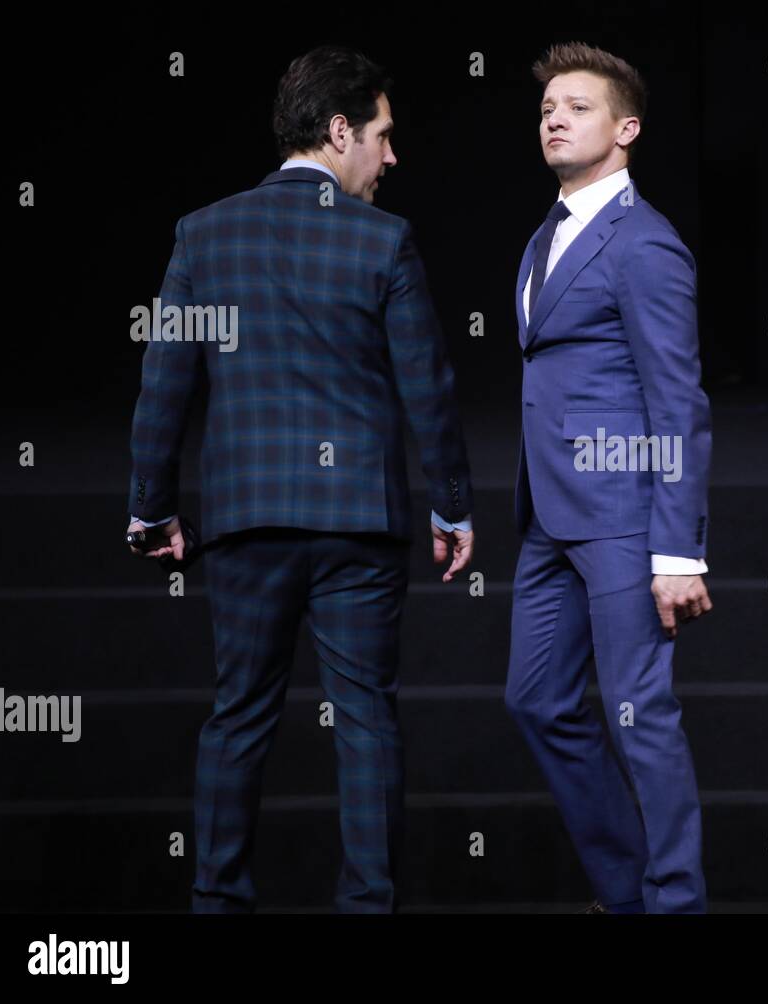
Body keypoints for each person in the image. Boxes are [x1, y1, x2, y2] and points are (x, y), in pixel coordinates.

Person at [126, 44, 474, 913]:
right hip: (359, 522)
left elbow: (164, 384)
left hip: (245, 525)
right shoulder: (385, 239)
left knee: (238, 717)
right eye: (383, 137)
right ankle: (368, 907)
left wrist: (151, 511)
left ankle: (219, 902)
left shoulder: (203, 233)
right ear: (338, 129)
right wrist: (454, 506)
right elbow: (427, 387)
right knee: (365, 723)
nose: (392, 157)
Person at [504, 42, 714, 913]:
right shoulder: (549, 231)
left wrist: (678, 548)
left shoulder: (646, 244)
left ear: (626, 129)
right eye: (549, 105)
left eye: (578, 106)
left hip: (626, 515)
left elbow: (680, 401)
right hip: (550, 518)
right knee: (535, 700)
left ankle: (673, 903)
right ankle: (626, 890)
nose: (555, 116)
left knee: (640, 716)